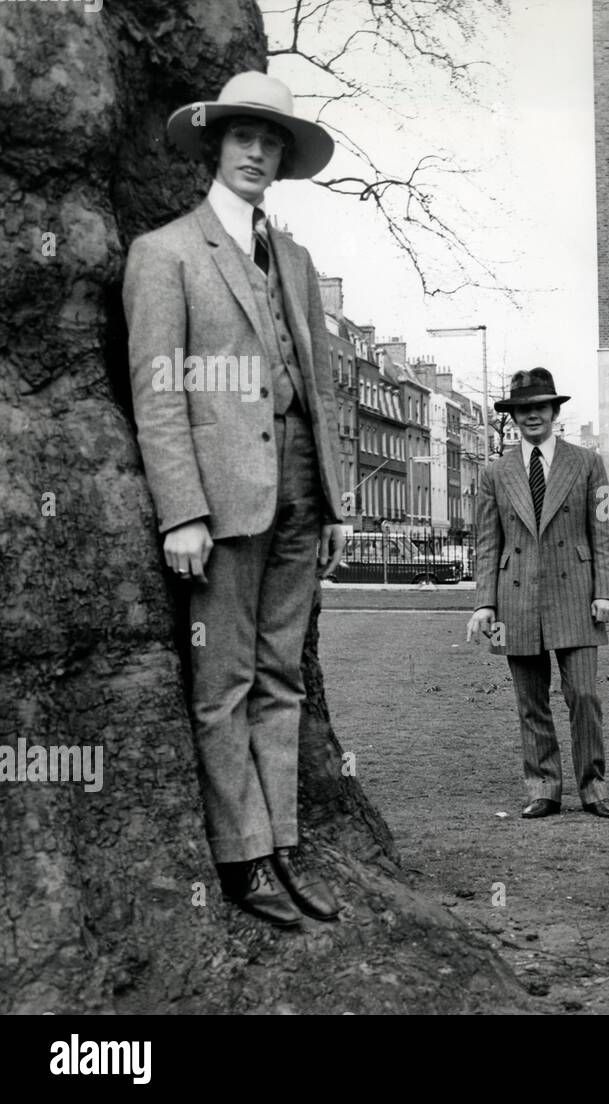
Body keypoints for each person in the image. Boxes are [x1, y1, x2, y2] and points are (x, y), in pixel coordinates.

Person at [124, 72, 347, 926]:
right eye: (244, 136)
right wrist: (180, 509)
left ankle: (284, 844)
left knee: (281, 677)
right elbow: (159, 394)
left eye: (272, 141)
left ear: (283, 158)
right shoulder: (166, 253)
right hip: (220, 503)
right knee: (223, 682)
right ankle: (242, 859)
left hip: (298, 491)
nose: (258, 151)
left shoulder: (292, 258)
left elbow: (320, 391)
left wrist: (334, 501)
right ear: (215, 146)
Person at [466, 369, 609, 819]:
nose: (532, 415)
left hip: (576, 596)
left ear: (554, 412)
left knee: (585, 697)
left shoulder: (588, 463)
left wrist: (606, 591)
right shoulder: (495, 473)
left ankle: (593, 789)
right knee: (529, 702)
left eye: (540, 407)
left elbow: (604, 530)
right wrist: (484, 602)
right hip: (517, 601)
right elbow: (487, 544)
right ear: (513, 417)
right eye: (522, 409)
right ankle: (544, 789)